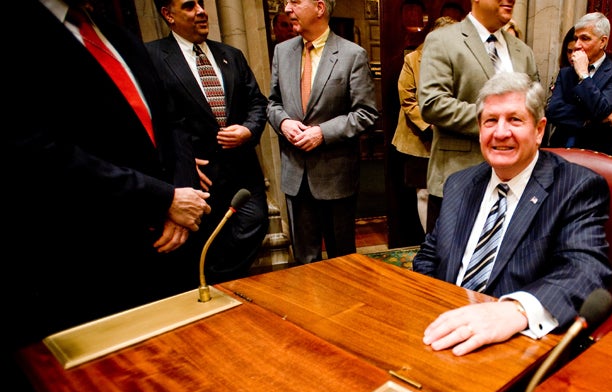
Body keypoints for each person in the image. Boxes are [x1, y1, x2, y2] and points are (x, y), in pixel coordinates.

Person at [8, 0, 212, 345]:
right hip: (92, 261)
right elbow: (38, 152)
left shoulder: (116, 35)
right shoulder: (17, 32)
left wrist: (181, 199)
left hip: (173, 246)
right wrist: (162, 198)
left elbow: (173, 123)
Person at [413, 72, 612, 356]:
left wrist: (515, 310)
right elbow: (430, 257)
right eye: (490, 121)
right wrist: (433, 309)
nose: (501, 133)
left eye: (515, 120)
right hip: (443, 327)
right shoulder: (460, 183)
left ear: (539, 129)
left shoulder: (576, 187)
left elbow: (584, 271)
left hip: (519, 342)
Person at [148, 0, 270, 283]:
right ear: (168, 15)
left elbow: (257, 102)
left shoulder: (231, 54)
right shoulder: (152, 57)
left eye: (201, 4)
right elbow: (154, 119)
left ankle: (221, 285)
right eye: (190, 6)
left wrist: (248, 130)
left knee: (253, 224)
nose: (201, 11)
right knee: (203, 247)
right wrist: (181, 161)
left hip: (243, 175)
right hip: (199, 180)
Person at [267, 0, 379, 264]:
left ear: (320, 8)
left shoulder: (352, 54)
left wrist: (322, 133)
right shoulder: (282, 52)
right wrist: (283, 123)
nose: (286, 8)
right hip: (295, 175)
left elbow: (366, 114)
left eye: (294, 1)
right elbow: (272, 103)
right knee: (305, 261)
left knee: (343, 261)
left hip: (335, 176)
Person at [418, 0, 539, 234]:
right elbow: (433, 103)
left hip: (516, 183)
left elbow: (536, 107)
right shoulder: (443, 41)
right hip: (459, 179)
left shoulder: (522, 51)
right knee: (447, 265)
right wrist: (495, 123)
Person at [391, 16, 457, 232]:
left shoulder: (460, 60)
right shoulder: (413, 59)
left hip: (452, 137)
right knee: (423, 191)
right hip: (420, 138)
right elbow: (407, 99)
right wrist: (430, 125)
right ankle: (429, 239)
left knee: (450, 191)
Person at [545, 12, 612, 157]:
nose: (577, 45)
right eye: (576, 38)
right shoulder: (566, 73)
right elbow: (553, 111)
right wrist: (591, 120)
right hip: (561, 150)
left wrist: (584, 75)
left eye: (584, 38)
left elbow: (601, 108)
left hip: (596, 154)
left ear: (602, 42)